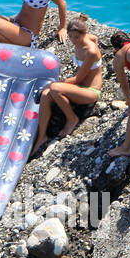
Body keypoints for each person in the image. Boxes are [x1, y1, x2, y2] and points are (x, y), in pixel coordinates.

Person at [32, 14, 102, 155]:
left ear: (84, 33)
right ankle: (42, 136)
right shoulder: (88, 38)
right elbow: (95, 38)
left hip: (90, 91)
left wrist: (52, 84)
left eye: (77, 37)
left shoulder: (91, 51)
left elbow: (78, 79)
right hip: (78, 88)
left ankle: (72, 119)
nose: (74, 40)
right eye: (70, 37)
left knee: (54, 88)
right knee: (45, 95)